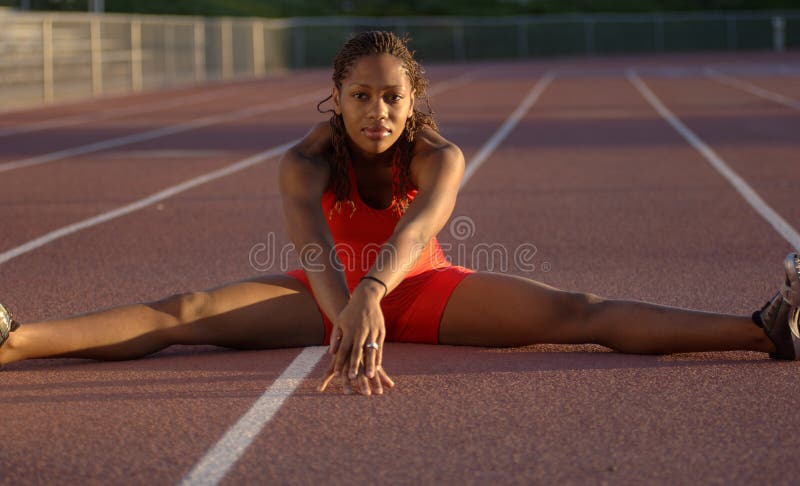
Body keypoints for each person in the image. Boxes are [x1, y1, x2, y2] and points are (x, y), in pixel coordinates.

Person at [0, 31, 798, 396]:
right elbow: (314, 252)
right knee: (189, 311)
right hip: (328, 297)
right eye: (360, 97)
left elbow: (418, 234)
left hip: (421, 287)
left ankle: (763, 329)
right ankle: (14, 341)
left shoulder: (438, 155)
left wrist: (374, 294)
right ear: (336, 98)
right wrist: (346, 314)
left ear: (414, 100)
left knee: (578, 312)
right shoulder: (303, 161)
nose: (376, 111)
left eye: (391, 97)